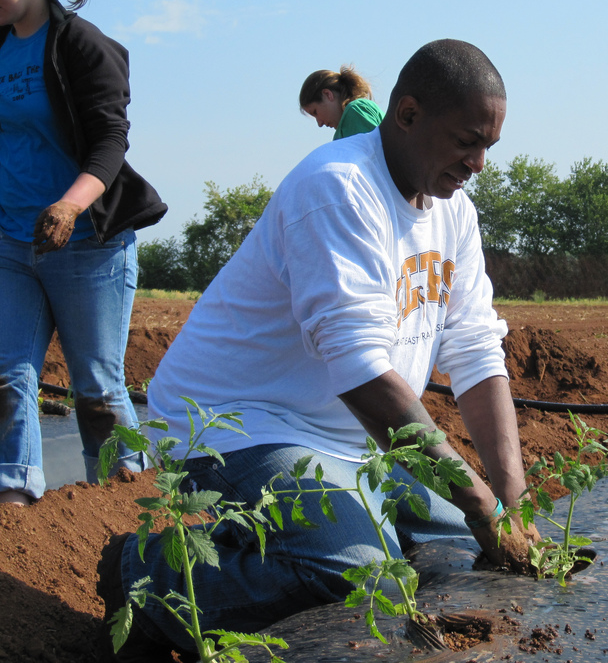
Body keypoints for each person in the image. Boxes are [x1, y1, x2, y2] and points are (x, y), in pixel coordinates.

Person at [98, 39, 538, 660]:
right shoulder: (339, 189)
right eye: (468, 141)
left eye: (489, 145)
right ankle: (144, 575)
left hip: (353, 445)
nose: (480, 162)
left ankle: (277, 537)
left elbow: (475, 352)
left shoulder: (454, 213)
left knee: (457, 550)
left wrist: (510, 506)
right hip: (238, 424)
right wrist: (480, 502)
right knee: (362, 572)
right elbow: (361, 372)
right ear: (408, 115)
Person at [0, 0, 166, 506]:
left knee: (96, 389)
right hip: (9, 242)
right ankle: (14, 501)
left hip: (86, 243)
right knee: (6, 376)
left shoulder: (81, 46)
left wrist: (70, 205)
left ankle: (124, 505)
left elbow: (108, 143)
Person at [298, 65, 384, 139]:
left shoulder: (355, 110)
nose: (320, 123)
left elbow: (376, 153)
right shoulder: (344, 127)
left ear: (328, 94)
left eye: (315, 112)